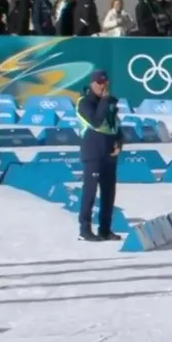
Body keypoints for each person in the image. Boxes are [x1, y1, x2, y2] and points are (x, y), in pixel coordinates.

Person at [76, 70, 122, 242]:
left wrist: (119, 143)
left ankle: (105, 229)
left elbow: (115, 125)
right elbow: (95, 121)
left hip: (109, 153)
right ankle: (85, 230)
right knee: (90, 193)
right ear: (92, 83)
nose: (102, 86)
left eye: (105, 82)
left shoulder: (110, 102)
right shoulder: (84, 102)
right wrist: (104, 100)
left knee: (109, 193)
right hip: (93, 153)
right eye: (99, 83)